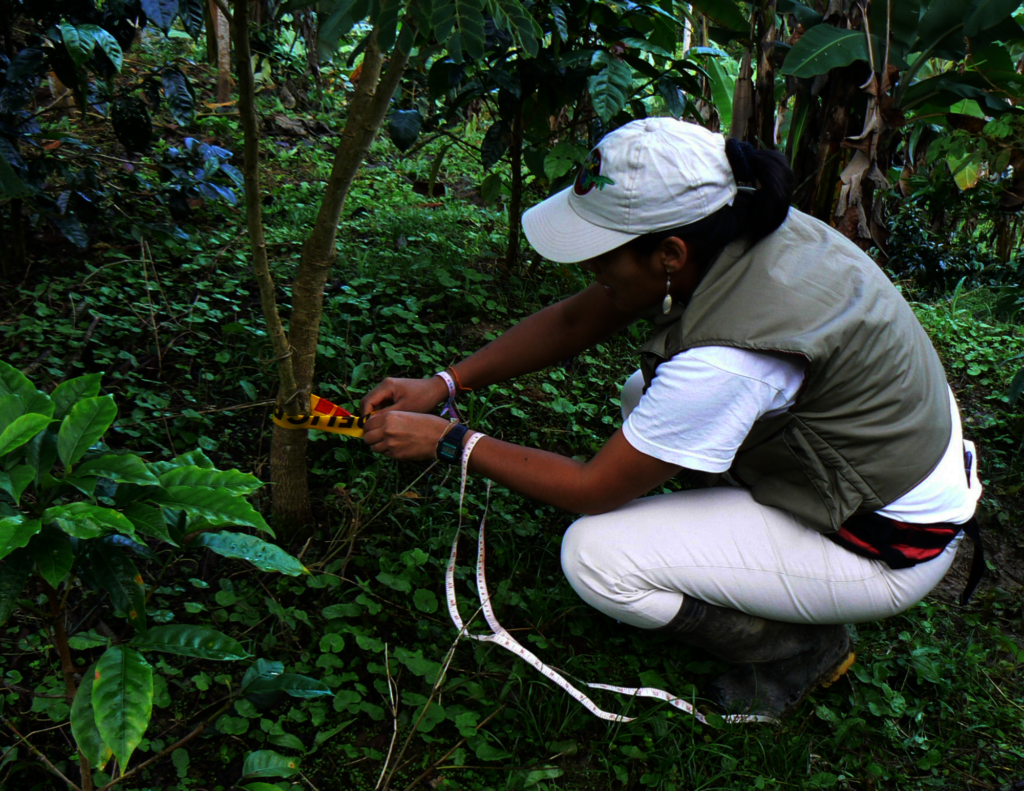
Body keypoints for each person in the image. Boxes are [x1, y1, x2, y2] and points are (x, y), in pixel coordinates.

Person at [358, 118, 983, 719]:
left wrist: (451, 441)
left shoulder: (729, 358)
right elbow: (582, 317)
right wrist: (445, 383)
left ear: (669, 254)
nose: (588, 269)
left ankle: (800, 651)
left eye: (601, 256)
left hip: (881, 540)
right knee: (643, 394)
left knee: (596, 556)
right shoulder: (746, 223)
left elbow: (591, 490)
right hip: (882, 469)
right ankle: (731, 544)